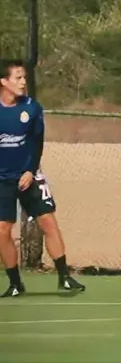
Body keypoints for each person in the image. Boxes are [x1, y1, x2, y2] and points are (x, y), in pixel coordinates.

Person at [0, 59, 85, 298]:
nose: (23, 82)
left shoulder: (32, 108)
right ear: (3, 82)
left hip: (30, 175)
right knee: (2, 231)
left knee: (48, 222)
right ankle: (16, 283)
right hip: (2, 180)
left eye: (24, 77)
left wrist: (29, 171)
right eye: (18, 78)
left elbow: (36, 143)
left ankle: (64, 278)